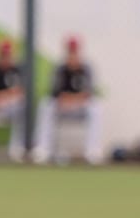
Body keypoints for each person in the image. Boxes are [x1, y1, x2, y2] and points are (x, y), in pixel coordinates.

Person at [30, 36, 105, 165]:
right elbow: (55, 92)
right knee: (46, 105)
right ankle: (42, 149)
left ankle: (92, 151)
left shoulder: (86, 68)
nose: (72, 54)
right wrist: (68, 99)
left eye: (74, 51)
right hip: (63, 107)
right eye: (70, 51)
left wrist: (73, 99)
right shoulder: (60, 69)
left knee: (96, 106)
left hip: (80, 107)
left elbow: (89, 93)